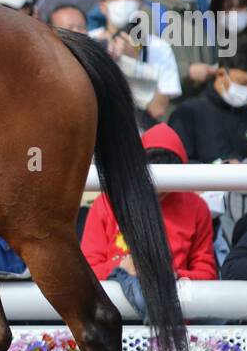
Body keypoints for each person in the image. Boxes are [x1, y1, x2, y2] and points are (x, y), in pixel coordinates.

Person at [82, 123, 216, 317]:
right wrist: (121, 266)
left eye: (166, 185)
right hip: (111, 318)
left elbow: (207, 274)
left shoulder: (196, 207)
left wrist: (172, 275)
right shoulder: (106, 203)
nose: (158, 190)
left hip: (173, 317)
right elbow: (85, 272)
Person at [168, 42, 247, 163]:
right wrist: (218, 168)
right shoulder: (188, 114)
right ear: (221, 74)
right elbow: (176, 163)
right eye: (243, 83)